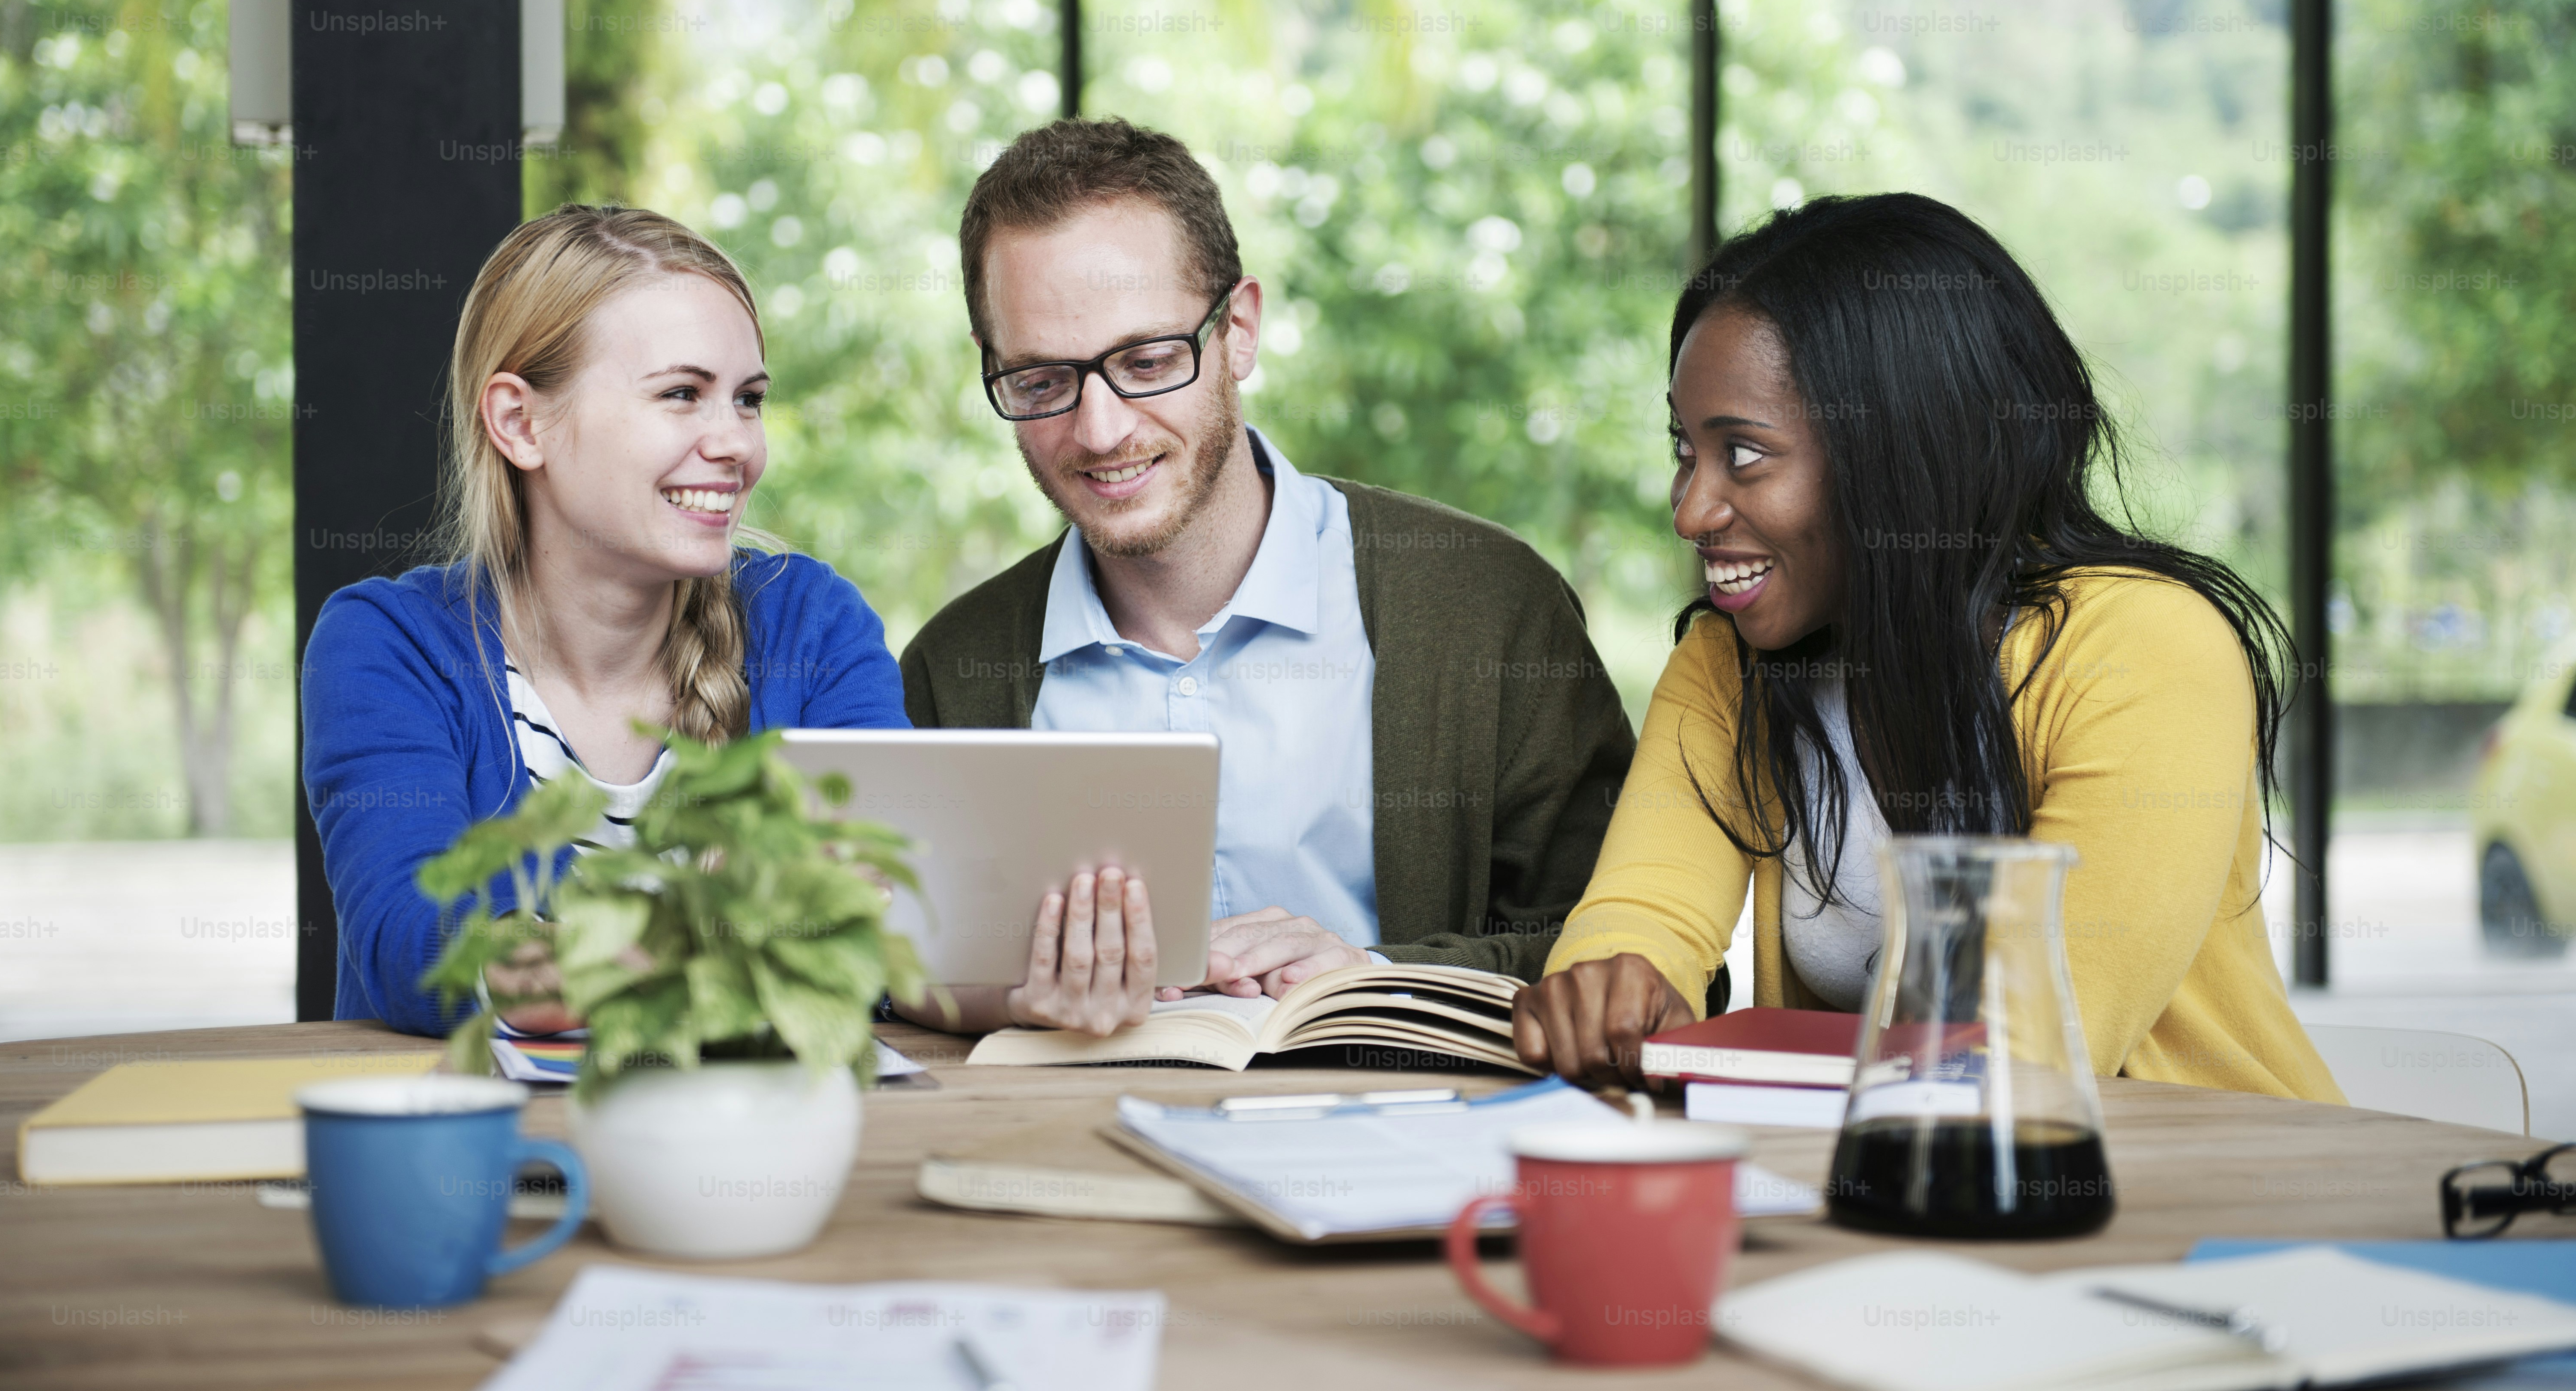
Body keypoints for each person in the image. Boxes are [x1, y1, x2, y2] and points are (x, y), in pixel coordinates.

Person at [1514, 193, 2342, 1102]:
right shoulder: (1728, 668)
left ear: (1900, 449)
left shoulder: (2145, 646)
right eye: (1686, 449)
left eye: (1743, 455)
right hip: (1887, 1185)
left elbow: (2035, 1040)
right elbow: (1643, 918)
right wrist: (1608, 992)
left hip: (2230, 1195)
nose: (1691, 511)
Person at [897, 117, 1635, 1035]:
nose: (1100, 430)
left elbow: (1630, 967)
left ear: (1239, 331)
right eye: (1042, 380)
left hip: (1416, 1156)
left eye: (1147, 361)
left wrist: (1371, 975)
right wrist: (999, 995)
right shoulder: (952, 669)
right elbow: (894, 967)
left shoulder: (1490, 610)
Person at [300, 205, 906, 1035]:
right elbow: (421, 951)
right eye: (683, 395)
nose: (736, 443)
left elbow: (887, 928)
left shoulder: (812, 625)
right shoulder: (388, 646)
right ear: (521, 423)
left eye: (749, 399)